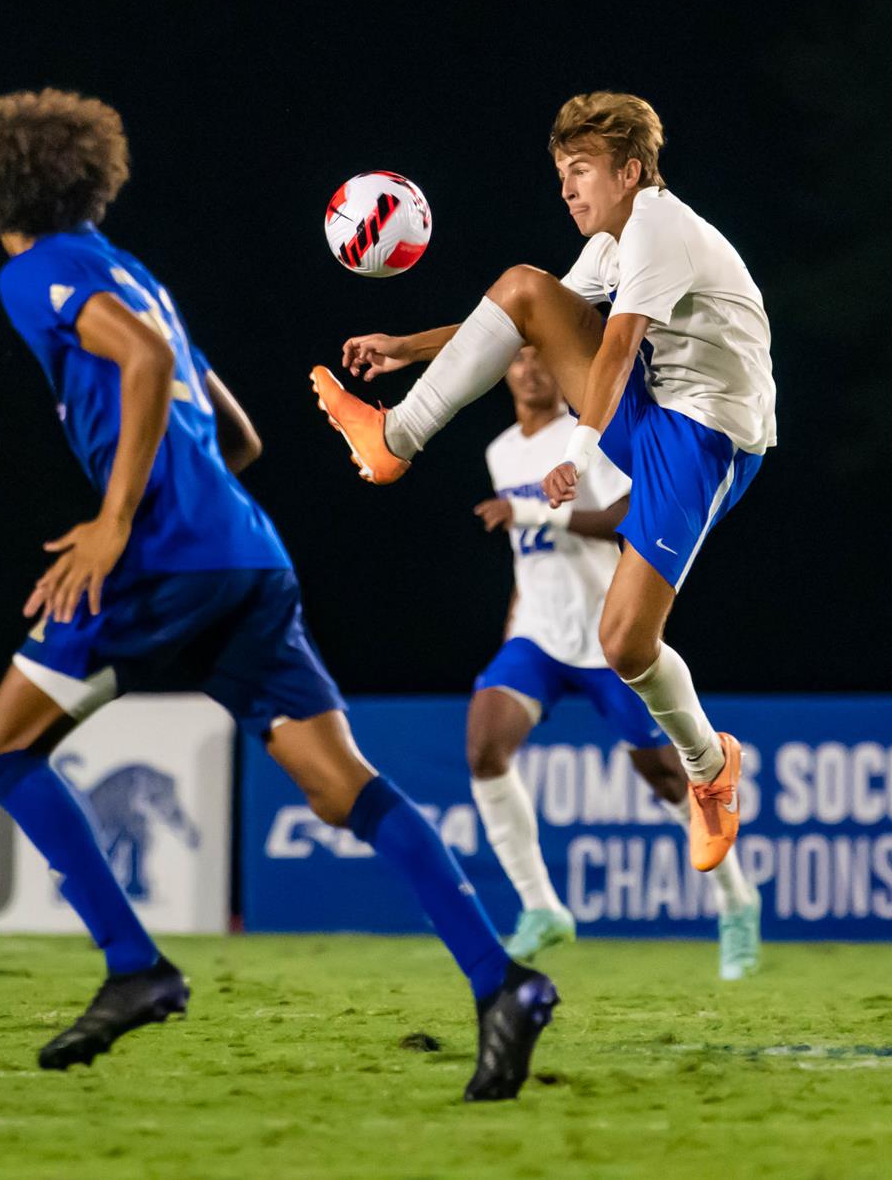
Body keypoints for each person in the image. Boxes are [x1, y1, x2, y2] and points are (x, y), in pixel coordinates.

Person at [0, 88, 553, 1099]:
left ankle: (135, 967)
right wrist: (176, 492)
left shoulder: (35, 268)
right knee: (336, 781)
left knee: (0, 750)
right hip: (242, 553)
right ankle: (502, 981)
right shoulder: (134, 272)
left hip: (159, 555)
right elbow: (237, 434)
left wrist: (112, 519)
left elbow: (138, 365)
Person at [313, 91, 776, 875]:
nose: (566, 188)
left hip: (709, 436)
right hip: (655, 407)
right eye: (561, 171)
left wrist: (584, 448)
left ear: (631, 172)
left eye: (582, 170)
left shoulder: (659, 225)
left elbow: (621, 344)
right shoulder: (611, 241)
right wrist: (409, 347)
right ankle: (395, 435)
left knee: (626, 642)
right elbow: (515, 320)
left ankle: (709, 767)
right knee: (527, 286)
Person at [469, 348, 762, 978]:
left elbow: (636, 512)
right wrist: (514, 622)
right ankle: (542, 908)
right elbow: (529, 556)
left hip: (604, 633)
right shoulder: (499, 452)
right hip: (539, 635)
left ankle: (737, 903)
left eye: (538, 355)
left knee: (663, 778)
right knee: (484, 747)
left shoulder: (586, 438)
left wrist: (530, 511)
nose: (528, 368)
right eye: (516, 359)